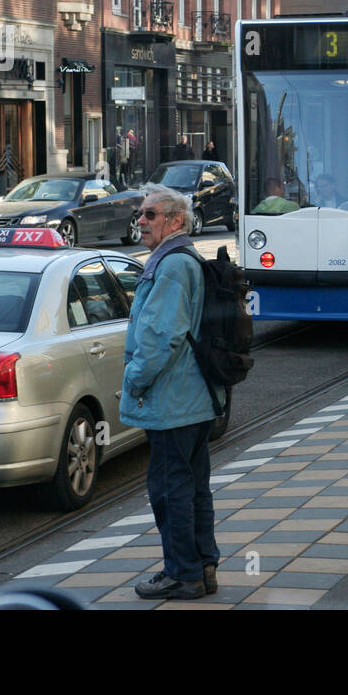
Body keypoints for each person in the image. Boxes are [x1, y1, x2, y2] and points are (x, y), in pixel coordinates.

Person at [122, 183, 220, 601]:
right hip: (191, 399)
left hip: (172, 401)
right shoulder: (178, 258)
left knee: (169, 488)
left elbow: (162, 335)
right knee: (193, 485)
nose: (141, 221)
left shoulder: (173, 265)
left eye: (150, 214)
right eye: (141, 214)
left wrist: (134, 378)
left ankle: (183, 573)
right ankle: (203, 565)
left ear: (174, 220)